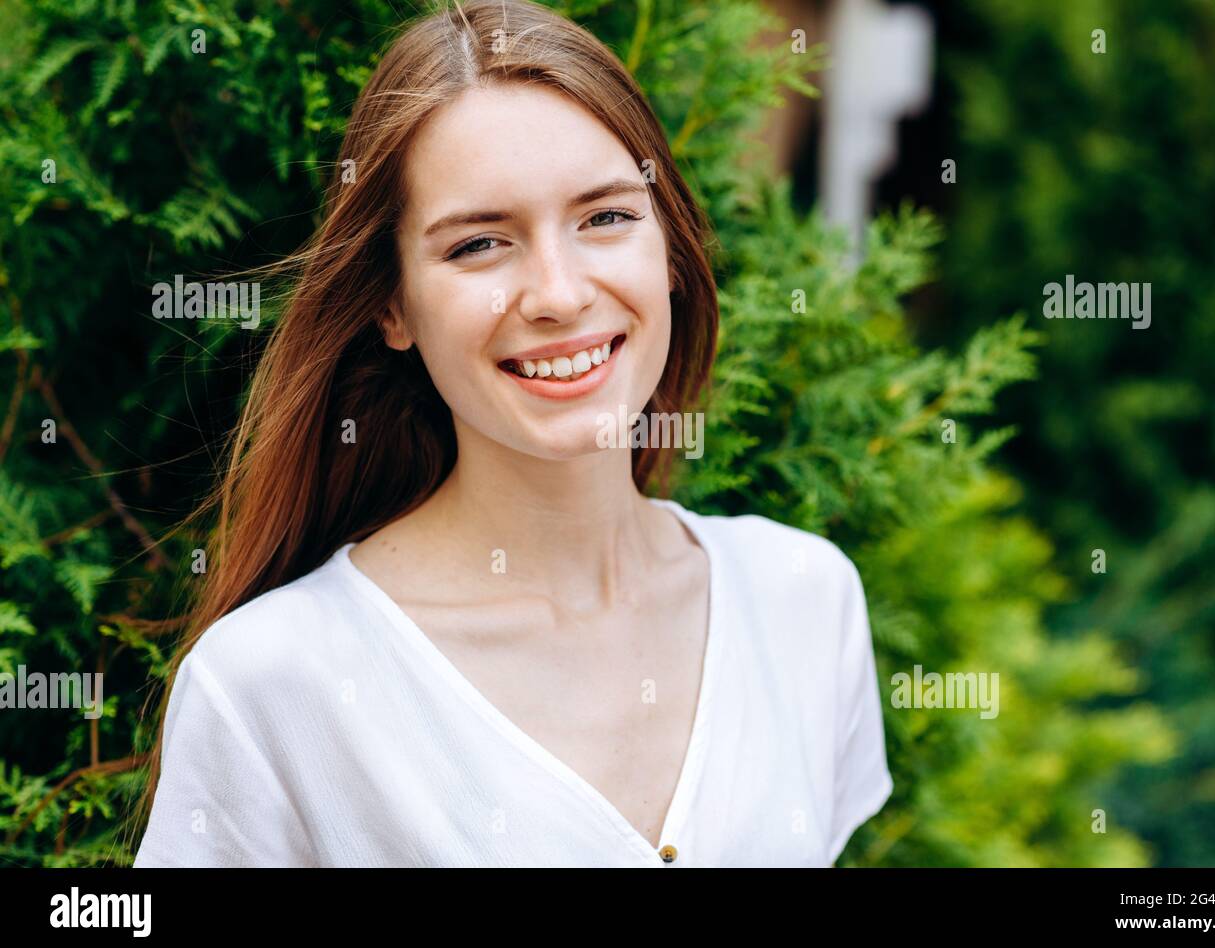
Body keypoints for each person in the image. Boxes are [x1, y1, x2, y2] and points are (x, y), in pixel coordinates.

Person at [132, 0, 891, 868]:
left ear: (670, 247)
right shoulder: (270, 686)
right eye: (480, 244)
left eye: (605, 217)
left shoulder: (804, 599)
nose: (559, 295)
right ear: (391, 304)